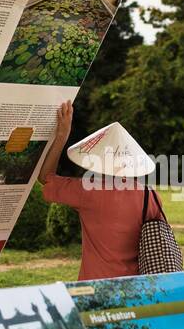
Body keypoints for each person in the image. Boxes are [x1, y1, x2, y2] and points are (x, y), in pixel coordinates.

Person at [38, 101, 170, 280]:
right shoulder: (149, 195)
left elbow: (46, 178)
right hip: (136, 287)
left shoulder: (87, 191)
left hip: (94, 286)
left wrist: (62, 135)